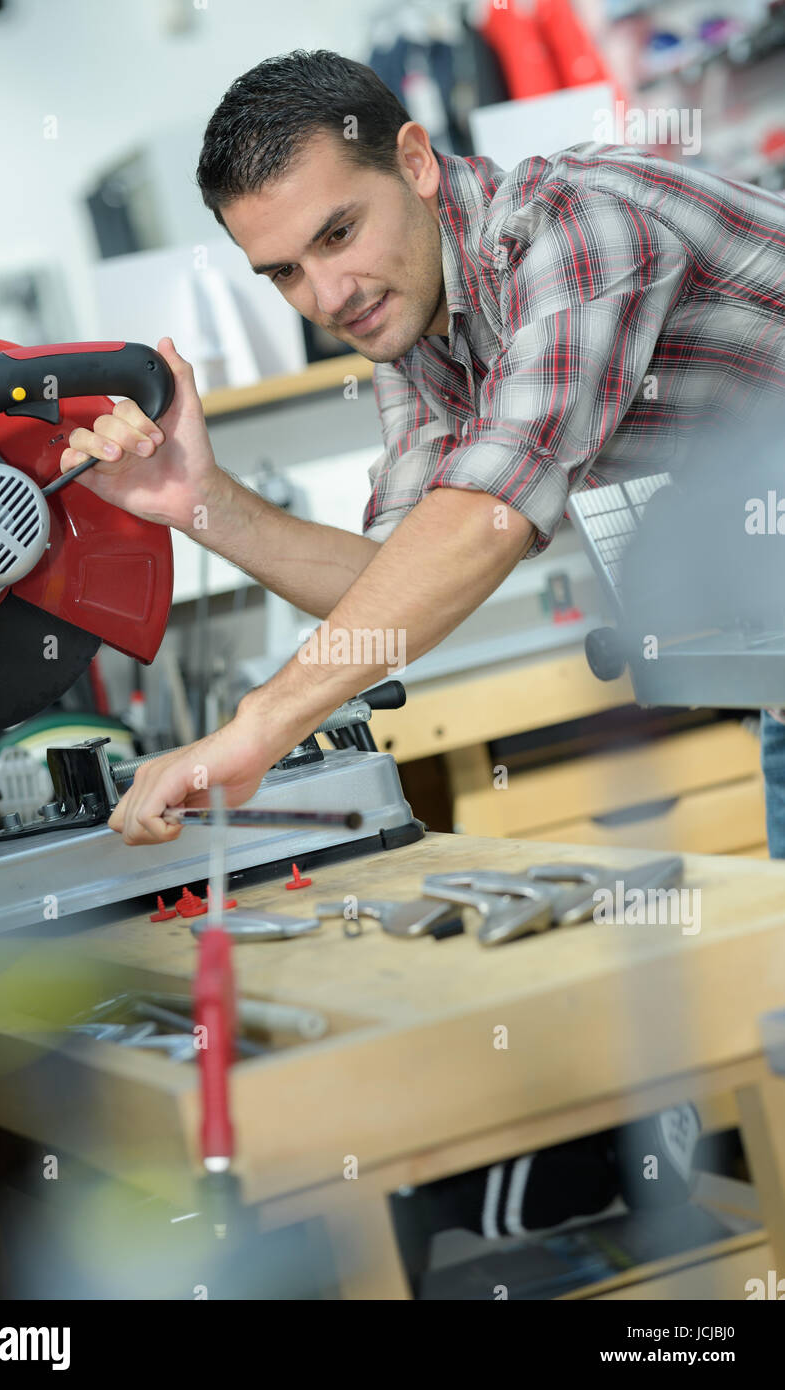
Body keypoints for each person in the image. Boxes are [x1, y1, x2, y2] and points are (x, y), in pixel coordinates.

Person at [57, 49, 784, 1275]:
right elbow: (395, 587)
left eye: (338, 232)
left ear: (414, 161)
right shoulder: (425, 328)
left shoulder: (575, 229)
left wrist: (258, 721)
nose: (326, 290)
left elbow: (486, 521)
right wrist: (204, 504)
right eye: (283, 270)